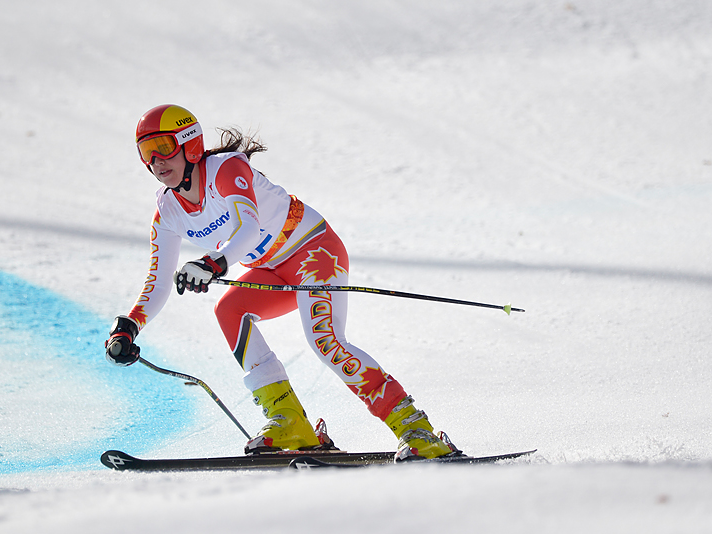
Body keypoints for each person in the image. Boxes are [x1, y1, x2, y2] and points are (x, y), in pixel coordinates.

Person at [105, 104, 462, 461]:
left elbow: (250, 228)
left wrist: (213, 262)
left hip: (313, 252)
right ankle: (289, 421)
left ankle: (417, 430)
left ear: (190, 144)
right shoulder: (167, 211)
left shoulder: (226, 169)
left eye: (162, 148)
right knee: (229, 310)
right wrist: (129, 326)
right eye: (145, 154)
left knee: (326, 341)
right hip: (273, 271)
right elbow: (157, 282)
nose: (155, 161)